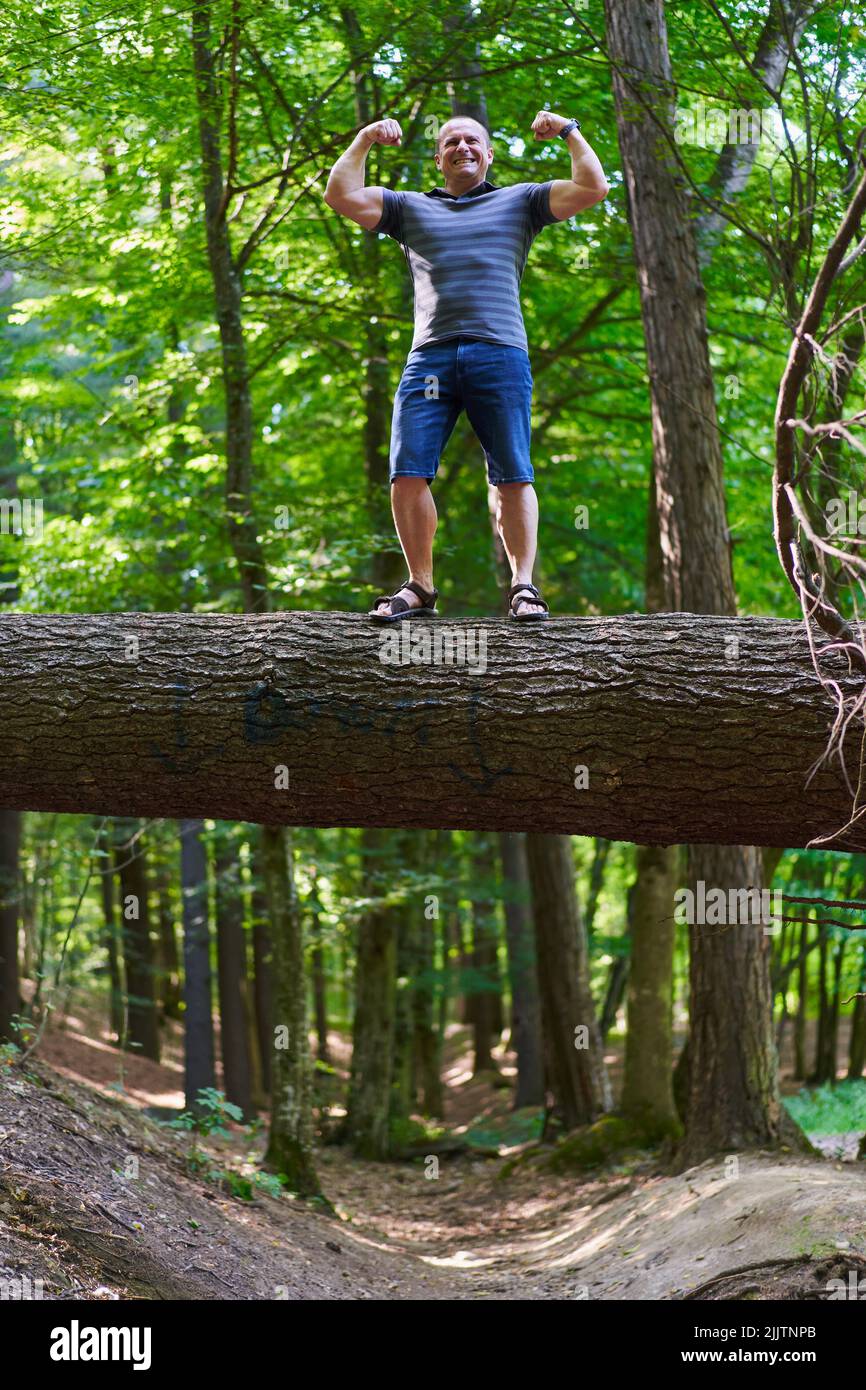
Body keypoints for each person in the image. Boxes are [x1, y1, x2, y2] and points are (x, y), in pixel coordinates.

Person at [323, 110, 609, 622]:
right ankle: (420, 587)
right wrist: (366, 138)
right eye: (451, 141)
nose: (462, 147)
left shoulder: (520, 200)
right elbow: (340, 195)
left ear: (489, 153)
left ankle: (524, 588)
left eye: (472, 140)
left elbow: (592, 187)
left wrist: (568, 130)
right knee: (407, 472)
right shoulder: (407, 208)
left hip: (499, 352)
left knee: (513, 475)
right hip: (430, 358)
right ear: (439, 158)